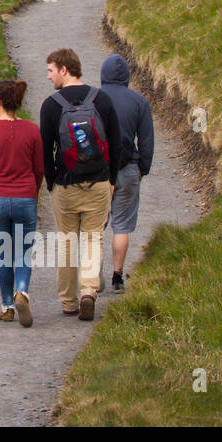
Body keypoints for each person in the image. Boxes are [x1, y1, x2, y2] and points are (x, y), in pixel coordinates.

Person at [39, 48, 122, 321]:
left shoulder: (51, 105)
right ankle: (89, 289)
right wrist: (111, 178)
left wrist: (51, 182)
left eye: (51, 70)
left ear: (64, 69)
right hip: (98, 182)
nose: (48, 76)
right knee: (92, 239)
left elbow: (45, 151)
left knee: (67, 242)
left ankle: (69, 301)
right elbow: (116, 143)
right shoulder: (102, 99)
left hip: (65, 186)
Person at [0, 79, 44, 326]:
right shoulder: (32, 130)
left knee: (4, 254)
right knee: (23, 252)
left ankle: (7, 305)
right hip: (25, 196)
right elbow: (39, 169)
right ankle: (21, 291)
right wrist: (34, 193)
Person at [99, 53, 154, 293]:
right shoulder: (139, 101)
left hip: (99, 171)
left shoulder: (94, 99)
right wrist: (142, 168)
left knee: (95, 226)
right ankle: (117, 277)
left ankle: (94, 276)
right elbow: (147, 141)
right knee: (121, 226)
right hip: (128, 169)